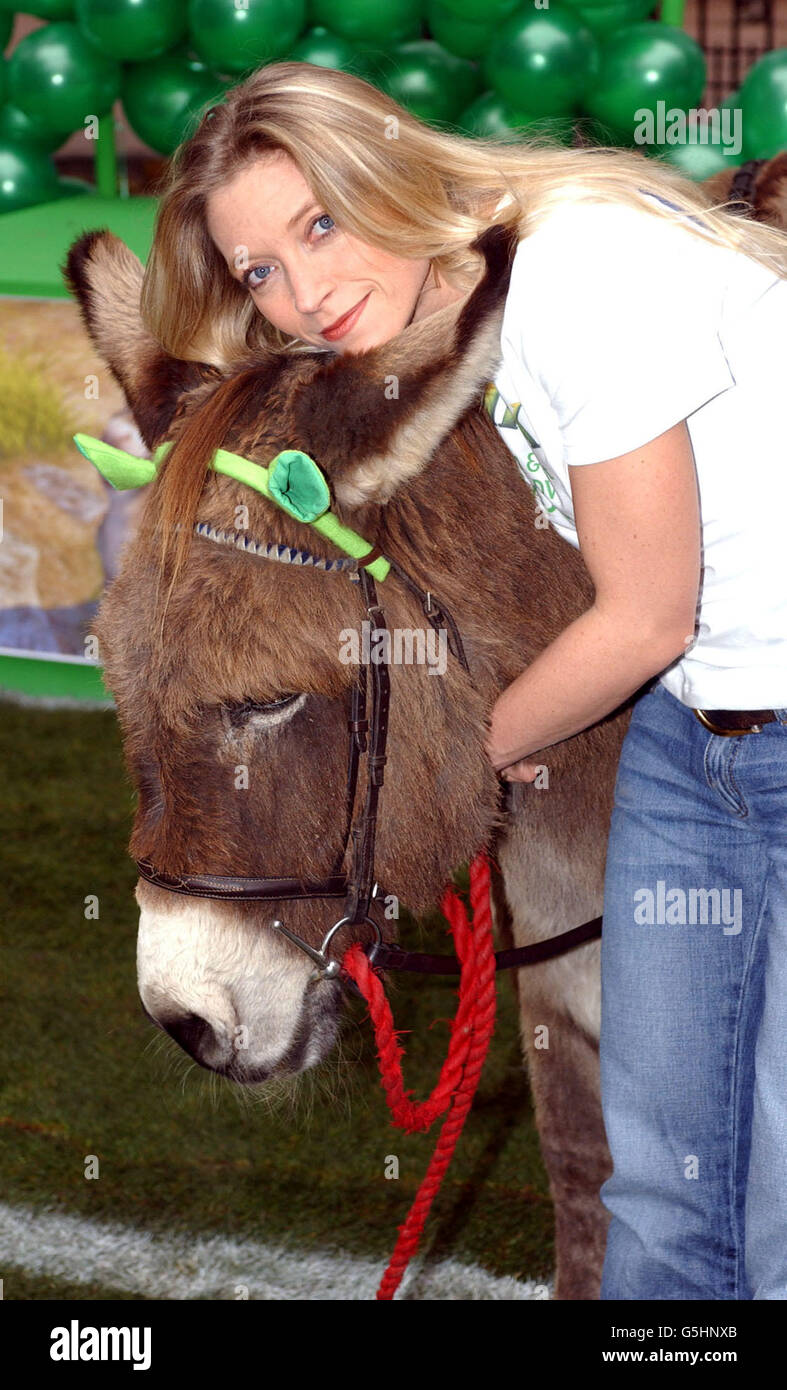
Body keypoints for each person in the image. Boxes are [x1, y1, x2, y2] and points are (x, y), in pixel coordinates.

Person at [140, 61, 787, 1299]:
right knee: (662, 1187)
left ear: (389, 169)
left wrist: (479, 737)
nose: (304, 294)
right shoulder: (462, 315)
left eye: (319, 224)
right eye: (261, 269)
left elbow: (644, 612)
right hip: (694, 730)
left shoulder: (581, 271)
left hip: (726, 703)